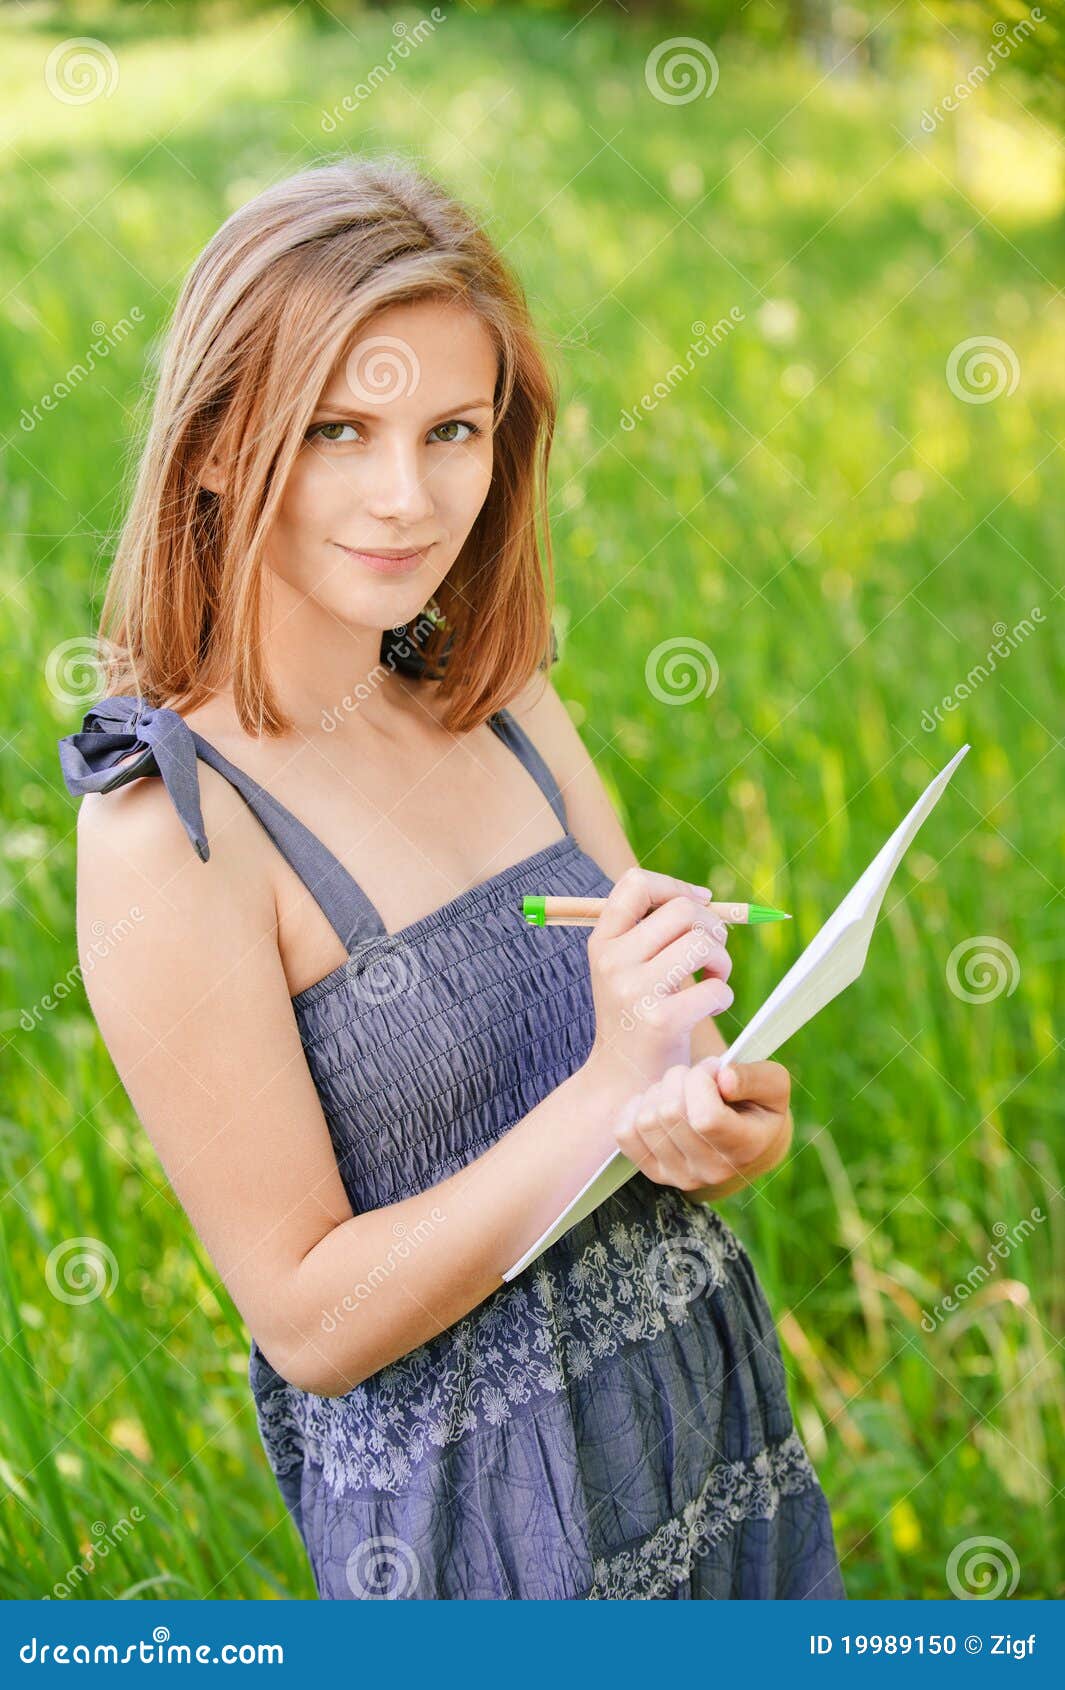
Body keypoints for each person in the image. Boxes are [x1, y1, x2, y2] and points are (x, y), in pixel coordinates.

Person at [56, 154, 846, 1601]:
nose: (407, 495)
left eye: (453, 430)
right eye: (339, 429)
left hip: (699, 1413)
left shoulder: (502, 698)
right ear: (223, 442)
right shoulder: (174, 831)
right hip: (481, 1518)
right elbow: (307, 1317)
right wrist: (608, 1085)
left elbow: (667, 1062)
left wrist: (713, 1116)